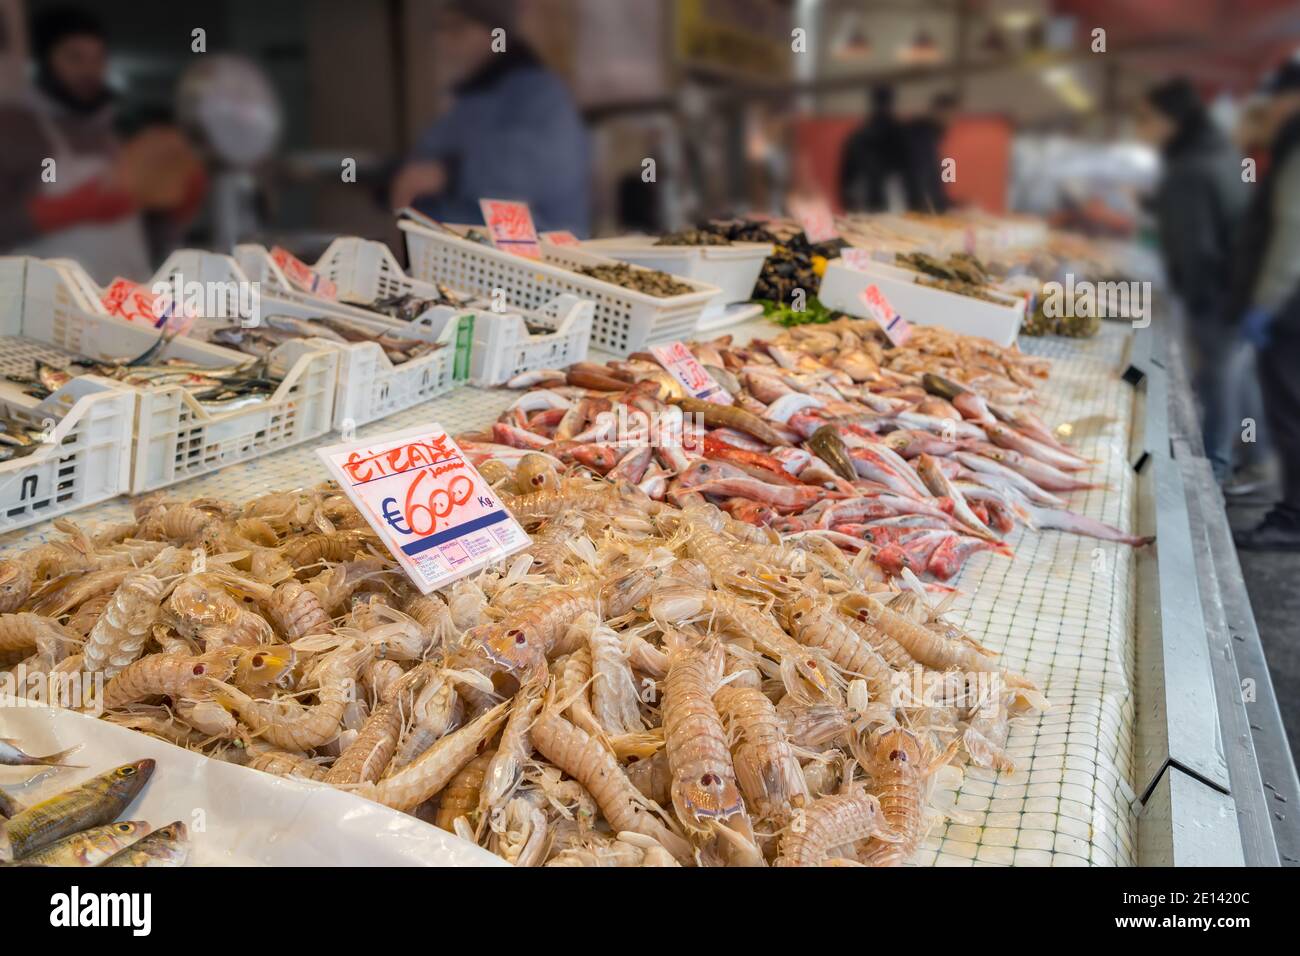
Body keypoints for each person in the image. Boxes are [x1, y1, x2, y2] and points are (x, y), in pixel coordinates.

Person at [1136, 77, 1260, 491]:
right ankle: (1254, 462)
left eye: (1147, 119)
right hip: (1240, 284)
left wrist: (1191, 297)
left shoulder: (1190, 166)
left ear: (1172, 120)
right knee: (1237, 372)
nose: (1143, 128)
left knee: (1218, 376)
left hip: (1217, 292)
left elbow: (1196, 242)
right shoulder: (1218, 152)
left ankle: (1214, 472)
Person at [389, 0, 590, 236]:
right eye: (441, 29)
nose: (443, 41)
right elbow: (427, 160)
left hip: (539, 260)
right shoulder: (469, 100)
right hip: (460, 257)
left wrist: (448, 173)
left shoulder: (540, 94)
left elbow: (539, 168)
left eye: (457, 28)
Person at [0, 6, 150, 282]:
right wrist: (63, 210)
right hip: (46, 314)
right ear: (44, 63)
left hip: (129, 306)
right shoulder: (14, 128)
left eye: (98, 59)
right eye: (75, 58)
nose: (89, 71)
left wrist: (175, 211)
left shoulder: (109, 133)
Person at [1233, 56, 1300, 550]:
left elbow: (1291, 234)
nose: (1272, 111)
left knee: (1290, 409)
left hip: (1289, 309)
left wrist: (1263, 304)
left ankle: (1292, 519)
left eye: (1275, 100)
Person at [840, 84, 917, 213]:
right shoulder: (900, 132)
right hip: (892, 192)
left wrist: (847, 198)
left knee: (869, 229)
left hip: (865, 192)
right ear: (892, 104)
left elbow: (847, 173)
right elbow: (910, 167)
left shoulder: (859, 134)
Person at [907, 91, 958, 214]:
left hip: (926, 207)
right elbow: (923, 175)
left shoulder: (930, 136)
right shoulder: (922, 136)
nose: (952, 120)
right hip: (921, 208)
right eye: (950, 114)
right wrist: (936, 205)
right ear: (938, 111)